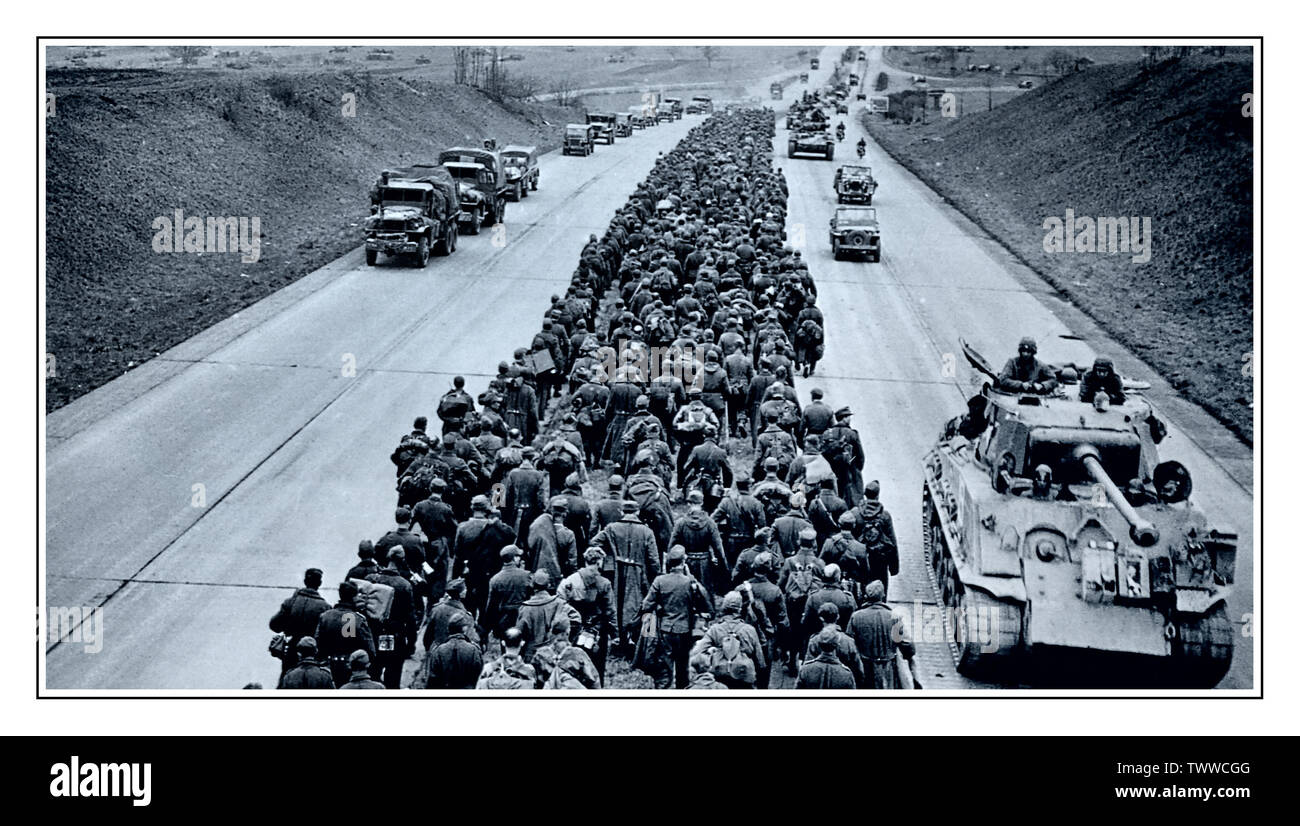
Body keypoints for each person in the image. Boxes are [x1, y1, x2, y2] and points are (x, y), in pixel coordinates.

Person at [589, 499, 661, 653]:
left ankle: (619, 640)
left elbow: (594, 542)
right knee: (643, 605)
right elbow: (654, 559)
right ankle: (642, 642)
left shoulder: (611, 528)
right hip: (639, 573)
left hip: (617, 572)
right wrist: (656, 575)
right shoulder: (647, 531)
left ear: (622, 512)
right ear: (637, 512)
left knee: (617, 605)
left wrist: (608, 557)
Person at [640, 547, 712, 689]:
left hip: (665, 629)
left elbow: (646, 606)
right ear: (683, 562)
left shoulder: (659, 580)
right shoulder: (690, 582)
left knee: (664, 667)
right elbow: (704, 604)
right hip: (685, 630)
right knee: (683, 667)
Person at [558, 548, 618, 685]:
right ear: (599, 562)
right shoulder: (604, 583)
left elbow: (560, 603)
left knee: (575, 663)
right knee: (597, 667)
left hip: (574, 630)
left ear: (586, 560)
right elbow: (610, 611)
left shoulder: (570, 581)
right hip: (597, 631)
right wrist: (615, 635)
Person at [451, 495, 516, 620]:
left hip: (469, 571)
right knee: (486, 603)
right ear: (487, 508)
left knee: (469, 603)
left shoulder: (463, 527)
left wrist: (455, 577)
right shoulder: (495, 527)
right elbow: (511, 536)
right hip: (490, 571)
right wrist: (496, 521)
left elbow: (458, 554)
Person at [846, 580, 917, 689]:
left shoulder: (856, 617)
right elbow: (908, 645)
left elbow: (849, 645)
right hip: (888, 670)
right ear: (883, 595)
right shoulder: (894, 617)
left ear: (866, 596)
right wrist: (908, 656)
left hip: (864, 668)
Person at [690, 591, 766, 689]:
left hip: (720, 677)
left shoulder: (714, 629)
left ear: (724, 607)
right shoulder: (750, 629)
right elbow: (760, 661)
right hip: (744, 677)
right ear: (740, 609)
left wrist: (711, 653)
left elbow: (697, 653)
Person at [366, 549, 418, 689]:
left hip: (373, 634)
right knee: (393, 677)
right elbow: (410, 617)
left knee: (372, 673)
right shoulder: (404, 585)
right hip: (395, 636)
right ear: (402, 561)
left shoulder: (371, 579)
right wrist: (411, 642)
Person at [668, 490, 727, 605]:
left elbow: (672, 545)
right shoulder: (710, 523)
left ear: (689, 504)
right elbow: (719, 549)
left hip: (686, 563)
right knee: (706, 592)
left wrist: (670, 564)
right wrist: (722, 565)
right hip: (705, 563)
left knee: (687, 591)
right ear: (702, 503)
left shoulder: (681, 523)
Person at [269, 567, 330, 675]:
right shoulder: (325, 607)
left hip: (291, 652)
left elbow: (274, 625)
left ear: (305, 581)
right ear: (320, 583)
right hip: (313, 655)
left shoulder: (290, 602)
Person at [314, 580, 376, 687]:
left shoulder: (325, 616)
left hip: (329, 667)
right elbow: (370, 649)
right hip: (350, 669)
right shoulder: (357, 619)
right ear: (353, 597)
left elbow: (317, 643)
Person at [515, 571, 582, 662]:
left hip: (531, 656)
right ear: (549, 585)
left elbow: (518, 634)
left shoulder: (526, 608)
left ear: (532, 586)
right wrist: (567, 640)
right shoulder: (559, 603)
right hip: (555, 654)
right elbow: (577, 620)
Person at [803, 601, 866, 687]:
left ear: (821, 618)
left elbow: (807, 666)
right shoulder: (849, 641)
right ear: (838, 617)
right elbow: (858, 670)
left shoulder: (814, 640)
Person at [853, 480, 899, 595]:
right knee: (880, 591)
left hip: (860, 559)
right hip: (880, 561)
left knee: (860, 590)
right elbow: (892, 543)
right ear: (878, 495)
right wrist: (894, 567)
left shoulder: (855, 513)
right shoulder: (885, 516)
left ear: (865, 493)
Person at [483, 546, 532, 642]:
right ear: (513, 558)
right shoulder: (526, 575)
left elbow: (491, 606)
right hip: (522, 617)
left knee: (506, 646)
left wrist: (489, 627)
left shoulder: (495, 579)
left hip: (504, 619)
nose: (520, 558)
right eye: (518, 556)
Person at [426, 612, 483, 689]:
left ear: (448, 629)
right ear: (464, 630)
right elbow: (478, 676)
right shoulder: (474, 650)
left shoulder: (439, 650)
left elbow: (433, 680)